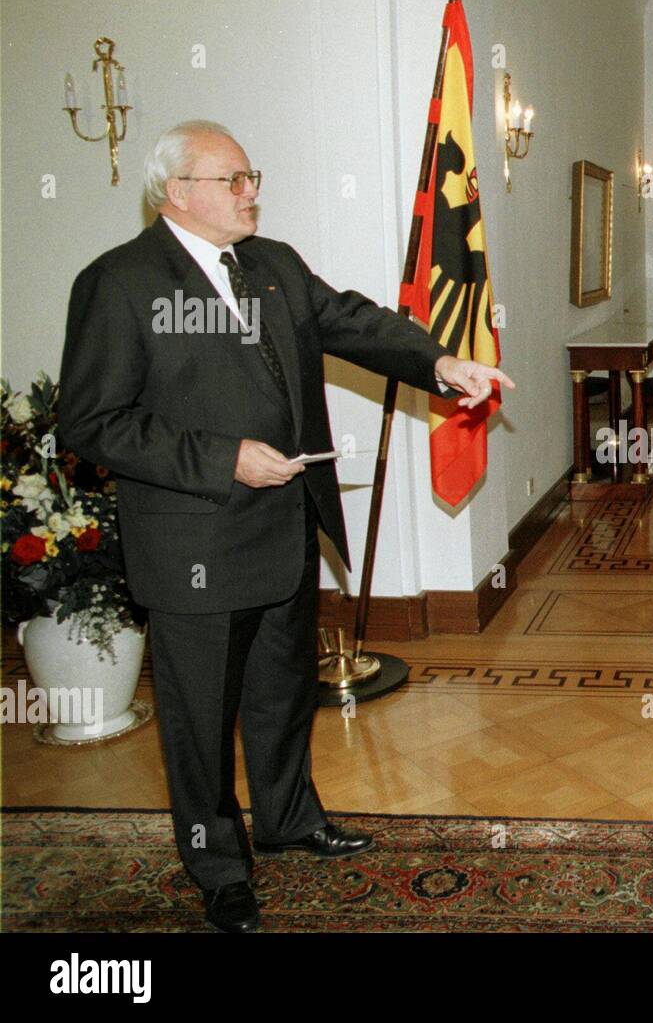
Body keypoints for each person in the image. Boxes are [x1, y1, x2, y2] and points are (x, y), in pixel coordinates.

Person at [58, 120, 514, 933]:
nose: (251, 192)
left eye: (250, 175)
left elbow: (356, 322)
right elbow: (93, 422)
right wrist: (223, 456)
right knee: (200, 720)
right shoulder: (120, 282)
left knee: (280, 690)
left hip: (283, 524)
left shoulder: (274, 266)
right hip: (193, 541)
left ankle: (289, 816)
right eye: (232, 179)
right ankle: (218, 864)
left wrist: (442, 364)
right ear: (178, 192)